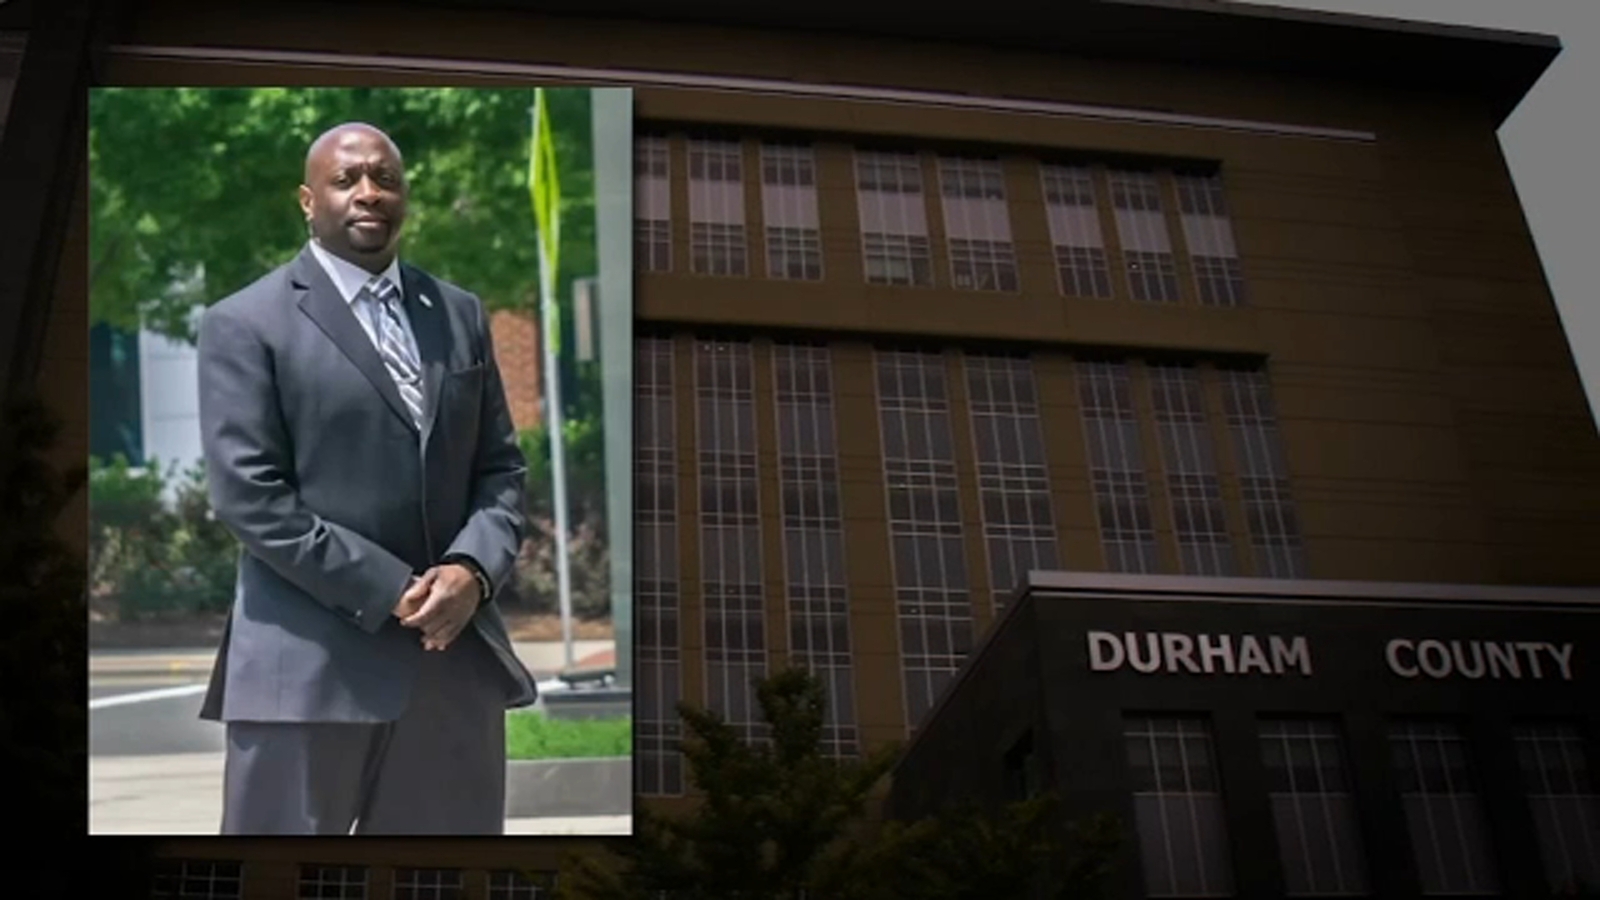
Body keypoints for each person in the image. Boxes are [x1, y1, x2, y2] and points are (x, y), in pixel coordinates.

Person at [195, 121, 538, 835]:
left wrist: (472, 571)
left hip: (450, 673)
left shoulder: (460, 314)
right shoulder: (243, 323)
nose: (369, 193)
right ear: (307, 200)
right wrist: (396, 591)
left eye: (384, 178)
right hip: (307, 674)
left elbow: (501, 468)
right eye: (346, 179)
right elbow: (250, 498)